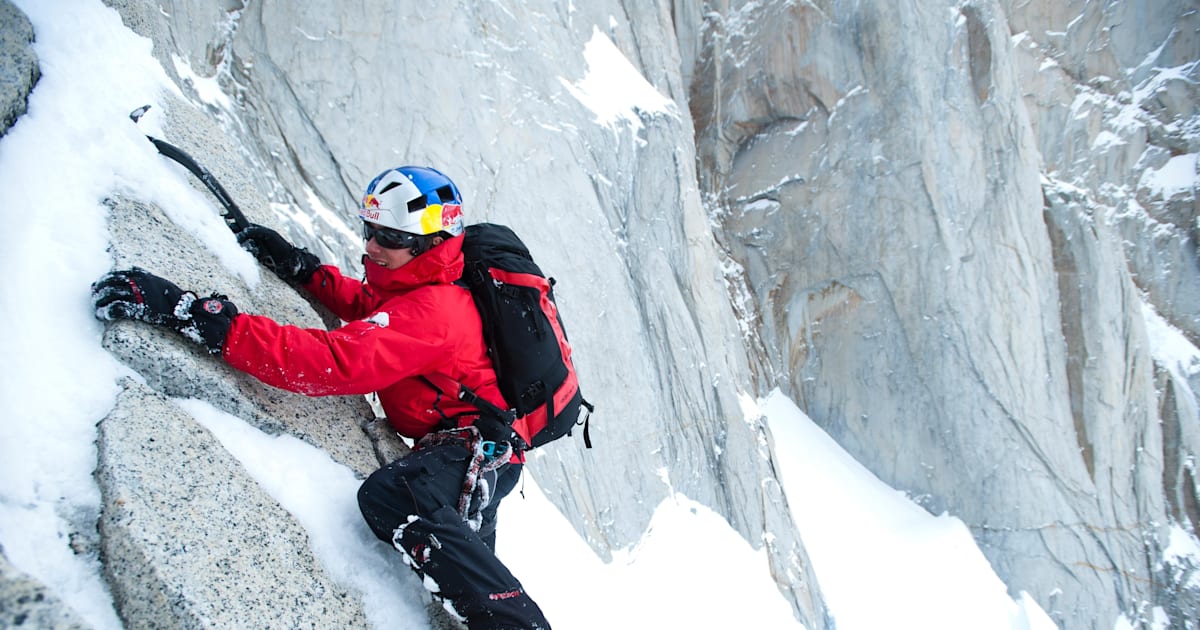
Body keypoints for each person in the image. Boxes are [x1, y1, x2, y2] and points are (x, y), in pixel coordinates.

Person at [91, 166, 550, 630]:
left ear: (429, 243)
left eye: (389, 236)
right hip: (482, 449)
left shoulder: (437, 312)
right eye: (371, 230)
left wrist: (206, 320)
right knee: (470, 582)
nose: (371, 245)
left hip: (471, 454)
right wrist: (302, 267)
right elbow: (377, 310)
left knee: (394, 497)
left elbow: (330, 361)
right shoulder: (426, 284)